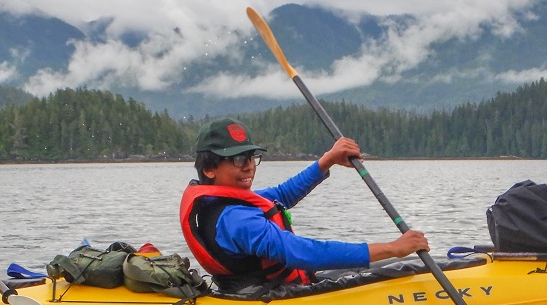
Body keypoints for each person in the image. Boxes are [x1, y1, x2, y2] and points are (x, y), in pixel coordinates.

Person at [180, 117, 429, 295]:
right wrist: (393, 248)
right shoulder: (237, 220)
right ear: (209, 169)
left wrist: (327, 161)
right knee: (387, 263)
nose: (248, 166)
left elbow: (281, 195)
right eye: (237, 159)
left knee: (383, 267)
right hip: (269, 296)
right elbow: (303, 253)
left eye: (251, 157)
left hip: (273, 286)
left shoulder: (225, 202)